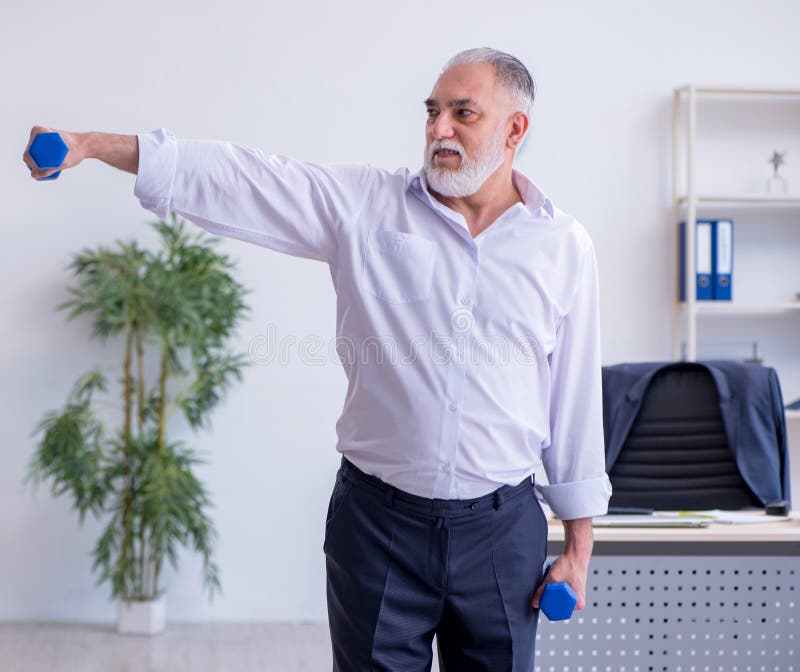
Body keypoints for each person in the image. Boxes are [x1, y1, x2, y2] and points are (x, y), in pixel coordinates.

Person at [24, 47, 612, 671]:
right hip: (379, 528)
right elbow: (240, 179)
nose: (439, 129)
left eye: (463, 113)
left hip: (502, 534)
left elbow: (573, 400)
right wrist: (89, 143)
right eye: (433, 111)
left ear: (515, 129)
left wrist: (579, 545)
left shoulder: (562, 246)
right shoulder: (364, 204)